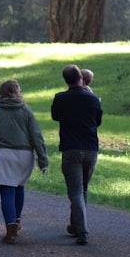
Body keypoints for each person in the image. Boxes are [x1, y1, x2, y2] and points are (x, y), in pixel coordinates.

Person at [0, 80, 48, 244]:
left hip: (1, 154)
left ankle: (10, 226)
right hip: (24, 154)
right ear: (18, 92)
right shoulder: (26, 110)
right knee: (18, 185)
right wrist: (42, 160)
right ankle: (17, 221)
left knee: (7, 190)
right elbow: (36, 136)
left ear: (0, 92)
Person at [50, 65, 103, 245]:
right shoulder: (93, 98)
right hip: (90, 148)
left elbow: (55, 116)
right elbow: (98, 121)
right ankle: (76, 226)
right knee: (83, 189)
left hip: (71, 148)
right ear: (81, 77)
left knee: (75, 191)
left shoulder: (60, 98)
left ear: (66, 80)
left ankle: (82, 231)